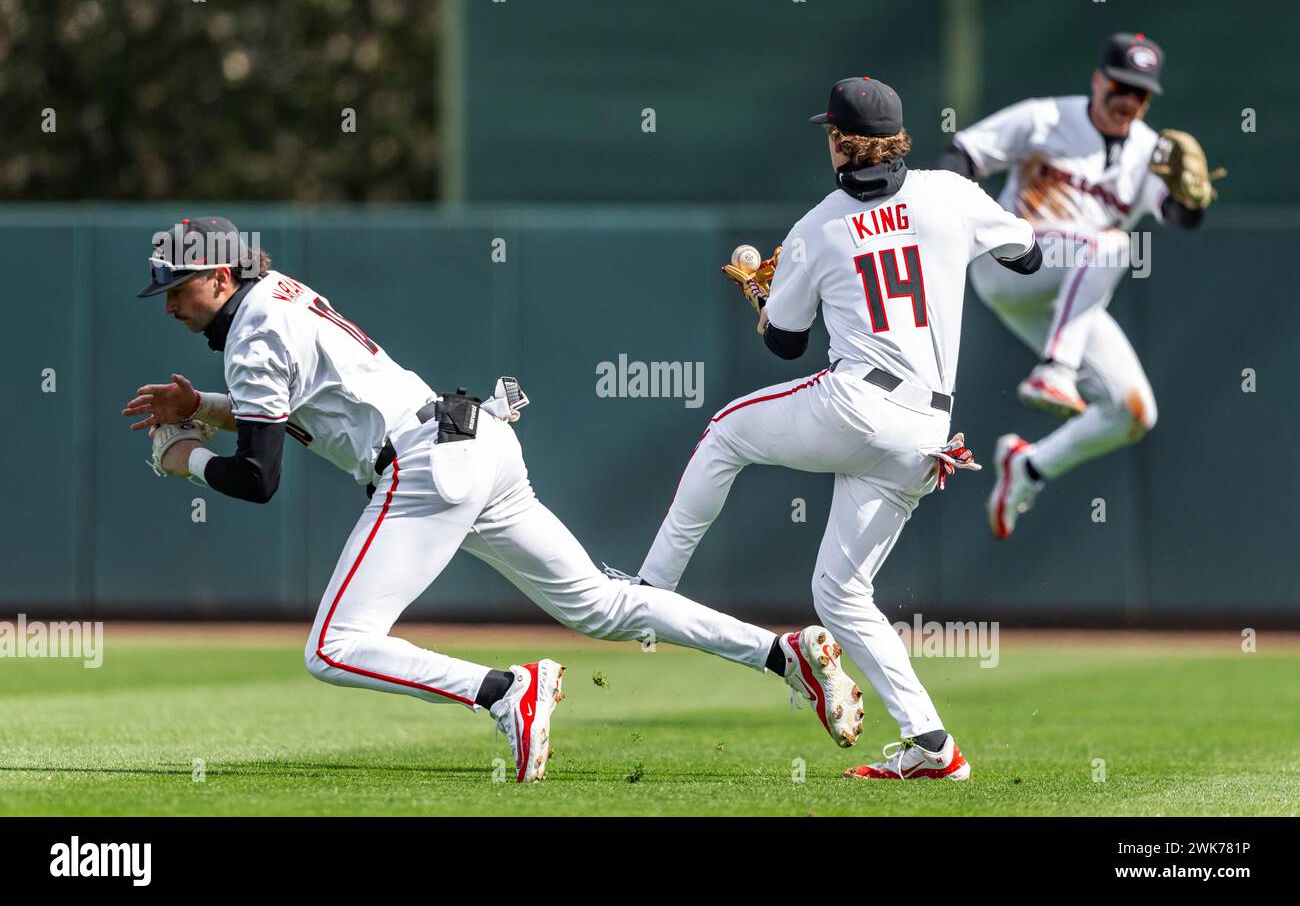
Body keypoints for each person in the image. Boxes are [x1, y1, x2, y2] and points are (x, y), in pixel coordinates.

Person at [123, 216, 861, 783]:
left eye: (177, 289)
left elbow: (258, 478)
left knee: (331, 648)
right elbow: (315, 402)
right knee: (603, 606)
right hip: (473, 439)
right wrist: (209, 407)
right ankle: (781, 652)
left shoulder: (251, 331)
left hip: (423, 466)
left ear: (220, 276)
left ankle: (505, 690)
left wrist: (184, 457)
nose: (170, 307)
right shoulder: (279, 298)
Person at [627, 77, 1040, 780]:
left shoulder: (818, 225)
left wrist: (762, 293)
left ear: (837, 141)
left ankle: (649, 592)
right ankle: (935, 748)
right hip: (928, 435)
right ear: (899, 137)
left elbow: (784, 342)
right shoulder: (951, 193)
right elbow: (1026, 255)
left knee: (725, 432)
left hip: (856, 403)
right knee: (841, 596)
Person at [937, 32, 1220, 539]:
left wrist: (1192, 201)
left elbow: (1177, 214)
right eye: (1120, 86)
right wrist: (955, 224)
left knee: (1133, 411)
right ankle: (1056, 370)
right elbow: (962, 155)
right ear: (1098, 79)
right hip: (1009, 261)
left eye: (1141, 93)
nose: (1128, 101)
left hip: (1069, 297)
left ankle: (1027, 467)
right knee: (1111, 246)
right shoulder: (1045, 118)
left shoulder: (1150, 149)